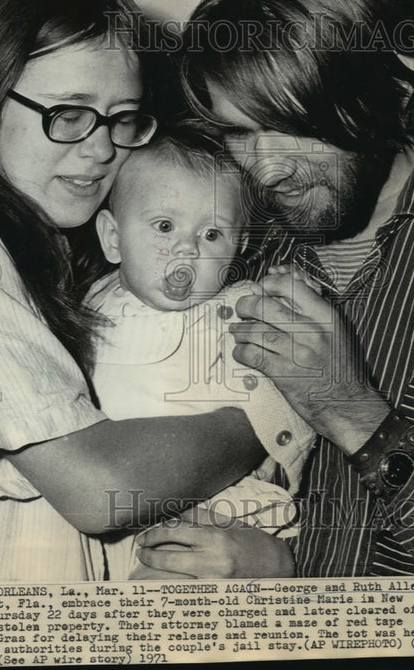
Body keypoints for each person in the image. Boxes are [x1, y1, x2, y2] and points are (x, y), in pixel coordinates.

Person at [0, 0, 274, 582]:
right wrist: (269, 416)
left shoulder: (68, 260)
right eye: (69, 114)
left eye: (121, 117)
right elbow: (98, 488)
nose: (103, 147)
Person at [137, 0, 414, 578]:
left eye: (294, 125)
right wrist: (283, 569)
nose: (267, 169)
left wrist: (351, 410)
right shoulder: (234, 252)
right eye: (240, 131)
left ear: (391, 87)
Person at [82, 130, 316, 579]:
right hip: (105, 505)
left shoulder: (240, 308)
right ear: (113, 238)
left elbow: (294, 388)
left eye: (212, 234)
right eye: (164, 226)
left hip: (208, 508)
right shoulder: (90, 305)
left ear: (237, 248)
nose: (188, 248)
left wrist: (290, 304)